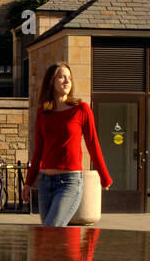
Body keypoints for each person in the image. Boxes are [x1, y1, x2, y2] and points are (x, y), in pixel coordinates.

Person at [24, 63, 113, 227]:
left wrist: (104, 176)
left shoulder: (81, 109)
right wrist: (29, 183)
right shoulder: (43, 113)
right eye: (62, 77)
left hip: (69, 183)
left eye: (69, 78)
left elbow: (93, 144)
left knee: (51, 228)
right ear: (51, 81)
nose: (67, 81)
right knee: (51, 240)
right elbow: (39, 150)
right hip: (45, 182)